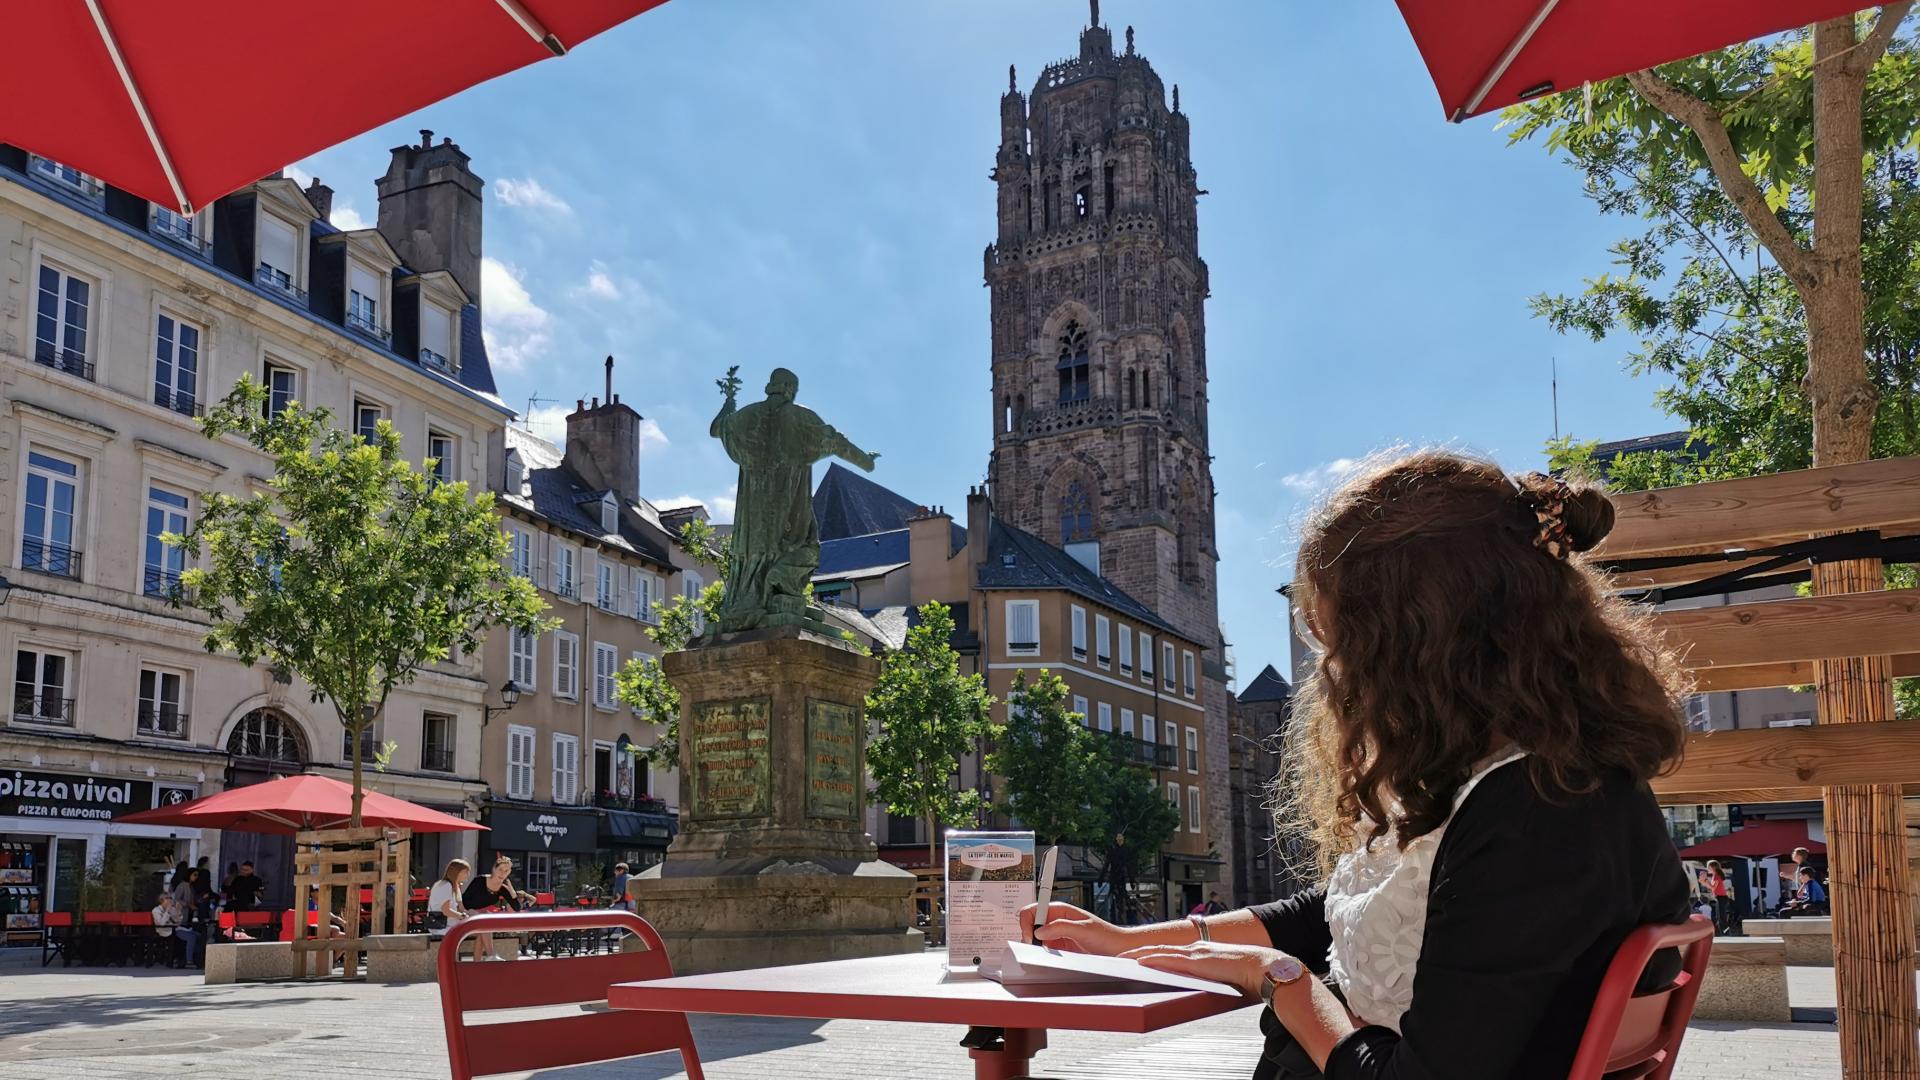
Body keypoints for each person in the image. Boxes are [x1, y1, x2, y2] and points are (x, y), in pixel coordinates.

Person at [1020, 452, 1691, 1079]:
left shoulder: (1537, 813)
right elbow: (1340, 912)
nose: (1334, 672)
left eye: (1345, 642)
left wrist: (1280, 980)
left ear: (1421, 644)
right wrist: (1131, 940)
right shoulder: (1528, 782)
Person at [430, 858, 493, 960]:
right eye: (466, 872)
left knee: (484, 926)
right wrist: (463, 916)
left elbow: (462, 909)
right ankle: (488, 957)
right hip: (442, 926)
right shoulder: (445, 885)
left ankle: (481, 961)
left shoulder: (456, 886)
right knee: (483, 928)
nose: (468, 875)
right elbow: (446, 911)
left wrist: (478, 915)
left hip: (452, 923)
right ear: (457, 872)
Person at [1706, 860, 1732, 934]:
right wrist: (1705, 882)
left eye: (1708, 866)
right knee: (1719, 918)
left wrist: (1706, 881)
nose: (1707, 868)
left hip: (1722, 898)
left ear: (1713, 867)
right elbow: (1712, 888)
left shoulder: (1717, 876)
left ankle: (1726, 934)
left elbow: (1713, 887)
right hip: (1720, 898)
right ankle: (1725, 933)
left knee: (1721, 918)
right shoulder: (1715, 875)